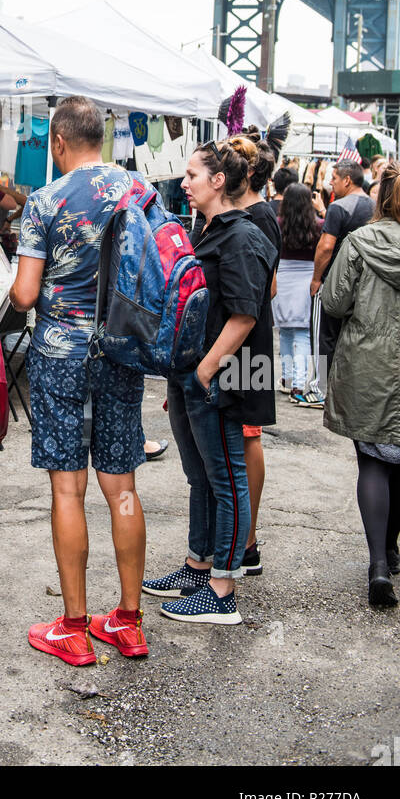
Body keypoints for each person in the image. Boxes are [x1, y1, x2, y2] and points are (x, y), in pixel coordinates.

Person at [9, 96, 149, 665]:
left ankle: (72, 626)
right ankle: (129, 621)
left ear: (60, 142)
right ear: (104, 136)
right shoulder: (140, 192)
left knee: (68, 488)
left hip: (62, 352)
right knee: (123, 487)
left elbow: (22, 295)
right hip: (122, 350)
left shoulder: (45, 202)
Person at [143, 138, 275, 625]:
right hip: (193, 376)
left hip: (217, 379)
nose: (184, 183)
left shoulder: (242, 236)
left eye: (192, 175)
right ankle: (198, 567)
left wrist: (203, 370)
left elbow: (244, 315)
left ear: (218, 181)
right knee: (201, 476)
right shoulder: (212, 230)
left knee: (225, 478)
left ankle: (222, 590)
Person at [321, 161, 400, 609]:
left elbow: (335, 302)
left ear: (381, 199)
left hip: (366, 367)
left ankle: (378, 563)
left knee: (373, 463)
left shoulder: (359, 241)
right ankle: (392, 547)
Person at [225, 128, 282, 576]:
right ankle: (240, 537)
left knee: (249, 434)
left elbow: (270, 286)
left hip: (251, 338)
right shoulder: (246, 212)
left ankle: (248, 539)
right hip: (242, 336)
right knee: (240, 435)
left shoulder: (260, 216)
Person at [309, 161, 374, 389]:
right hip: (365, 285)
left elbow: (326, 246)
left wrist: (317, 279)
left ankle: (321, 387)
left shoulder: (339, 207)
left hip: (334, 282)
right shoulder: (375, 206)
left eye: (334, 178)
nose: (330, 183)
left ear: (347, 180)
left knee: (324, 336)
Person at [272, 184, 322, 406]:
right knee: (303, 334)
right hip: (307, 278)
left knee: (285, 331)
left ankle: (287, 378)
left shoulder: (277, 223)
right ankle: (298, 385)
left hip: (282, 276)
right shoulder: (317, 226)